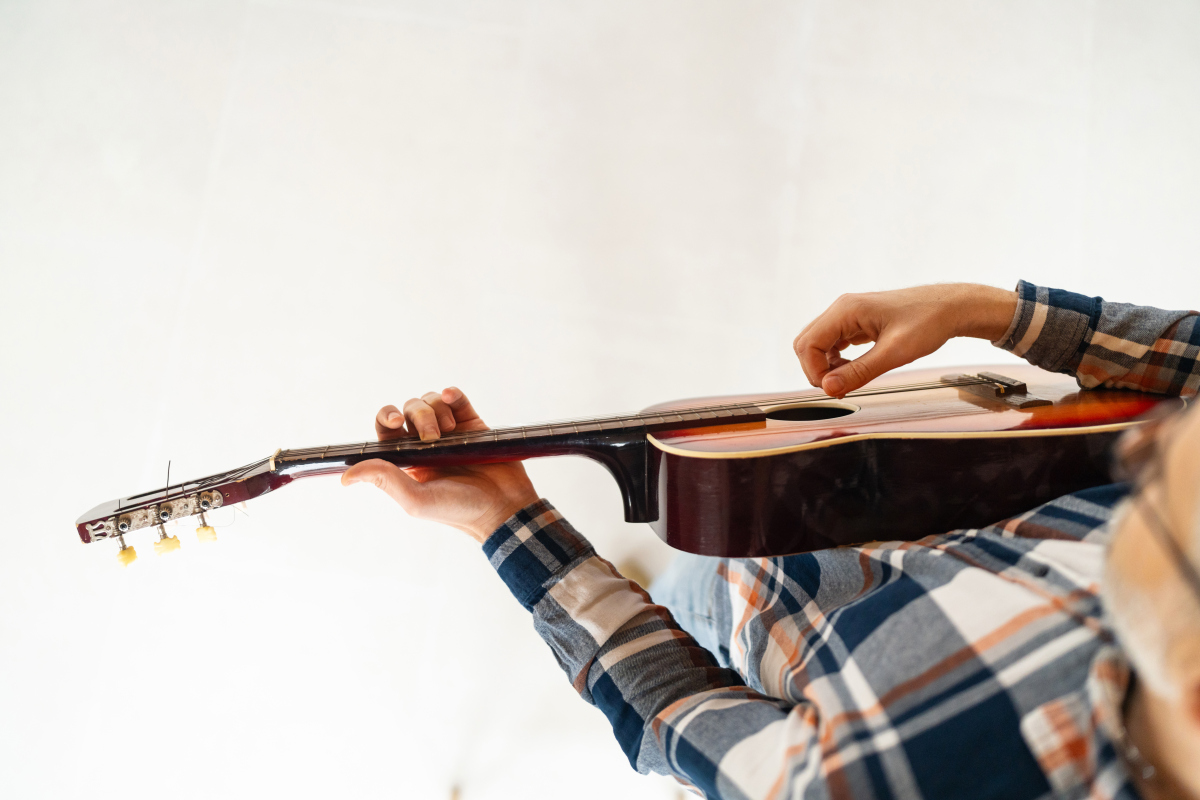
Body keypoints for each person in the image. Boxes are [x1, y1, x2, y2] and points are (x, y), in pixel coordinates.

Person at [341, 281, 1200, 799]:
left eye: (1153, 484)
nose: (1142, 444)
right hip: (853, 539)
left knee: (682, 599)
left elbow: (674, 706)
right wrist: (992, 311)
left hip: (753, 640)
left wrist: (507, 522)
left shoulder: (878, 782)